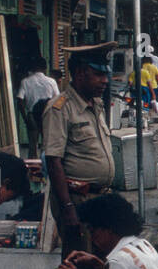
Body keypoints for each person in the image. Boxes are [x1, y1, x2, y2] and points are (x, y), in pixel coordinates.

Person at [43, 46, 116, 256]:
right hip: (78, 201)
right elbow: (53, 161)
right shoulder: (60, 108)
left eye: (106, 74)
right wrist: (67, 208)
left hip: (100, 198)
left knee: (100, 262)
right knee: (81, 263)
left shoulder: (96, 104)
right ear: (80, 73)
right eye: (99, 74)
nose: (105, 81)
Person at [16, 55, 60, 159]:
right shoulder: (51, 82)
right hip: (47, 115)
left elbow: (19, 100)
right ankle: (46, 167)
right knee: (48, 145)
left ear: (33, 67)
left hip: (32, 116)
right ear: (45, 68)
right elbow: (58, 100)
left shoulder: (25, 81)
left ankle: (33, 171)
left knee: (32, 145)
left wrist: (25, 118)